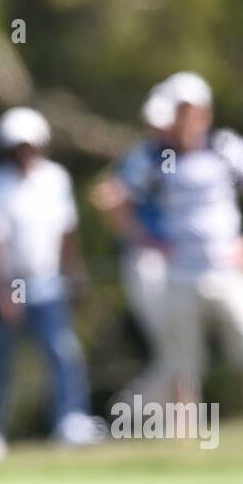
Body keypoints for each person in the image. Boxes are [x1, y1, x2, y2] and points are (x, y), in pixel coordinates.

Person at [109, 73, 243, 418]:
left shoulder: (225, 147)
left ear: (205, 113)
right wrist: (147, 241)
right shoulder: (157, 157)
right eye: (181, 112)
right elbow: (116, 201)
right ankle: (186, 442)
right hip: (180, 273)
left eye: (192, 111)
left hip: (228, 269)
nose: (187, 120)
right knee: (183, 368)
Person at [0, 106, 104, 465]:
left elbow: (67, 234)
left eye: (30, 145)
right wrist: (3, 292)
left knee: (63, 353)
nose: (25, 152)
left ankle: (70, 421)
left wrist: (76, 277)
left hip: (48, 281)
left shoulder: (56, 179)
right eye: (18, 146)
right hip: (8, 282)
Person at [91, 85, 175, 403]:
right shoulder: (144, 157)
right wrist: (144, 239)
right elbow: (108, 198)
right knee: (173, 346)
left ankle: (142, 412)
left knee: (180, 348)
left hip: (179, 260)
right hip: (150, 260)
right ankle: (133, 412)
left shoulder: (183, 155)